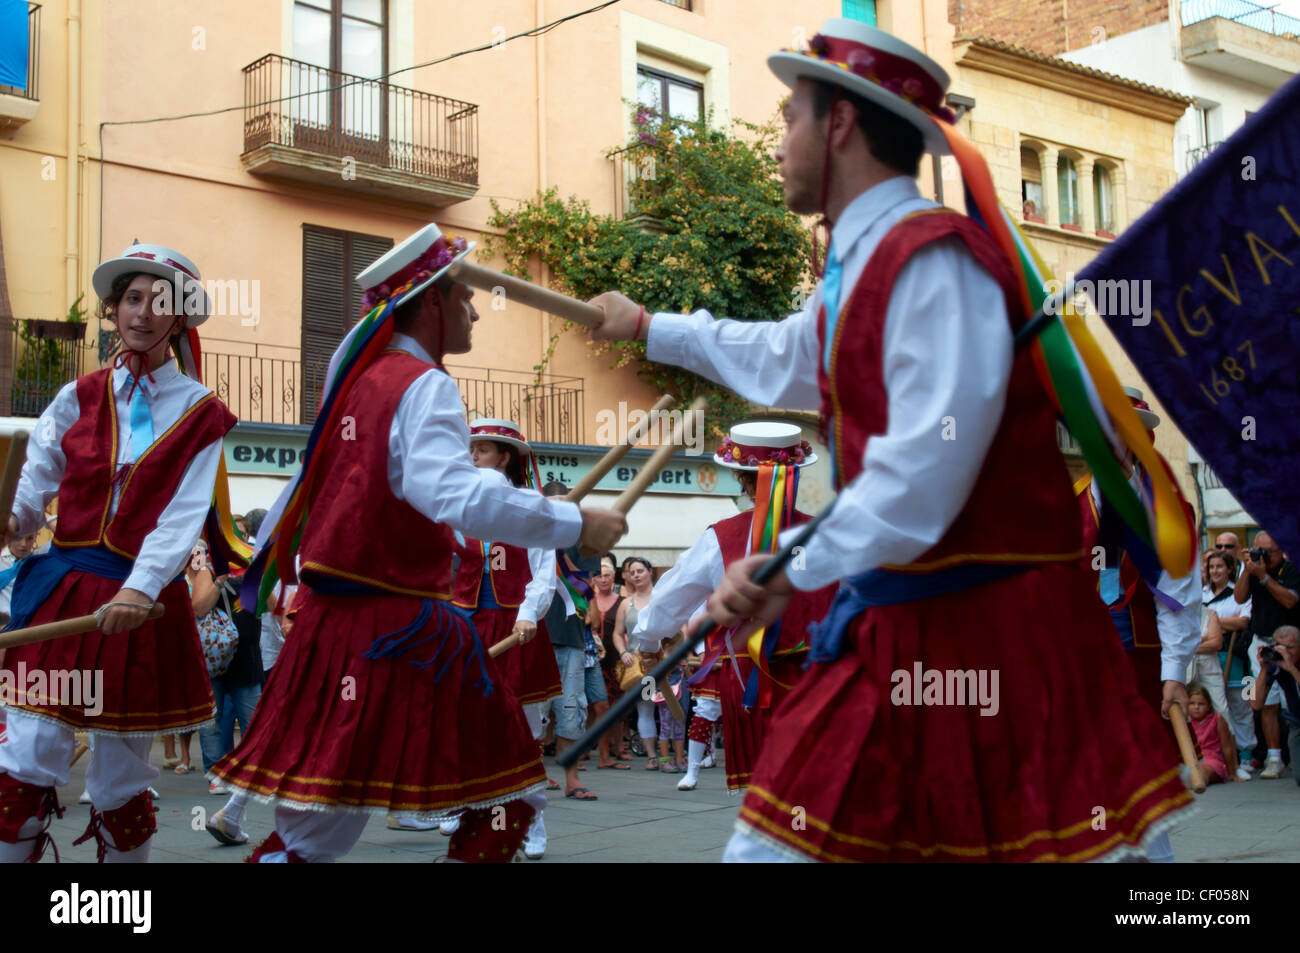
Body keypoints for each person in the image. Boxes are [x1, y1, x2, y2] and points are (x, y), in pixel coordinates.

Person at [590, 18, 1198, 862]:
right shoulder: (866, 267)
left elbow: (920, 476)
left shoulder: (932, 262)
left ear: (838, 124)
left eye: (789, 117)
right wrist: (653, 326)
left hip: (1001, 633)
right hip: (905, 624)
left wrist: (780, 566)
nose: (778, 144)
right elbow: (782, 354)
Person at [209, 224, 625, 863]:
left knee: (320, 818)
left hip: (330, 630)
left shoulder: (356, 384)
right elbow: (456, 496)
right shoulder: (422, 383)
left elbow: (315, 495)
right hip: (403, 624)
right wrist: (574, 525)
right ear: (434, 302)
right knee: (509, 789)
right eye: (466, 300)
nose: (477, 311)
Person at [0, 242, 237, 863]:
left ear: (180, 318)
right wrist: (14, 519)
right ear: (114, 309)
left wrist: (142, 584)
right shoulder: (76, 394)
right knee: (25, 757)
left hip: (141, 604)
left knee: (120, 776)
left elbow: (183, 515)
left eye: (161, 301)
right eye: (132, 298)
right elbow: (35, 484)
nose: (143, 312)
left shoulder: (201, 411)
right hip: (63, 590)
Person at [629, 421, 833, 793]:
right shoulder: (825, 533)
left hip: (752, 680)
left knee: (765, 797)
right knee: (816, 789)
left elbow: (668, 600)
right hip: (818, 679)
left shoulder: (718, 539)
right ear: (795, 475)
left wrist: (647, 643)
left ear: (741, 477)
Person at [1234, 531, 1300, 779]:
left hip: (1292, 645)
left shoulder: (1291, 570)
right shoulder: (1253, 569)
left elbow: (1290, 601)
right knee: (1264, 702)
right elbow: (1239, 597)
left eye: (1268, 552)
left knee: (1292, 701)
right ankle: (1274, 759)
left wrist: (1263, 577)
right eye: (1258, 551)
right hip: (1261, 643)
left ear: (1281, 550)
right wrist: (1246, 569)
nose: (1263, 557)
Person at [1200, 551, 1255, 778]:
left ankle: (1246, 755)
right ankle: (1216, 755)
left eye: (1220, 567)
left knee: (1240, 706)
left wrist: (1212, 621)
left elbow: (1243, 620)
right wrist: (1220, 625)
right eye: (1212, 567)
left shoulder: (1238, 594)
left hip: (1235, 657)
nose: (1215, 571)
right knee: (1212, 707)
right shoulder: (1201, 594)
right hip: (1208, 658)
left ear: (1229, 569)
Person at [611, 556, 659, 770]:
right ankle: (652, 756)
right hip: (638, 668)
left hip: (663, 662)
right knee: (646, 708)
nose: (636, 575)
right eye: (632, 572)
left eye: (640, 571)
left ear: (650, 572)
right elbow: (617, 633)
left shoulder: (662, 598)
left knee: (673, 707)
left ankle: (674, 753)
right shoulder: (625, 603)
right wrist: (623, 652)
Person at [587, 554, 633, 765]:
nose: (603, 580)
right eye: (599, 576)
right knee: (591, 707)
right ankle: (586, 746)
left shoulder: (623, 601)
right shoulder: (589, 599)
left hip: (615, 660)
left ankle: (618, 746)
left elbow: (627, 631)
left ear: (614, 577)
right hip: (593, 658)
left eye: (607, 576)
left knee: (616, 708)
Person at [1250, 625, 1300, 784]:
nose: (1285, 652)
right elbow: (1256, 704)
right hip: (1297, 723)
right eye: (1280, 647)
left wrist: (1291, 669)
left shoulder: (1289, 665)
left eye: (1290, 647)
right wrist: (1264, 669)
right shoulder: (1276, 664)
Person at [1186, 683, 1236, 784]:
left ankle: (1197, 780)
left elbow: (1226, 747)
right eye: (1192, 703)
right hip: (1191, 759)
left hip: (1212, 760)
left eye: (1201, 704)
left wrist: (1232, 773)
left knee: (1203, 772)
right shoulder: (1185, 722)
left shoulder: (1217, 719)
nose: (1196, 707)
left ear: (1208, 706)